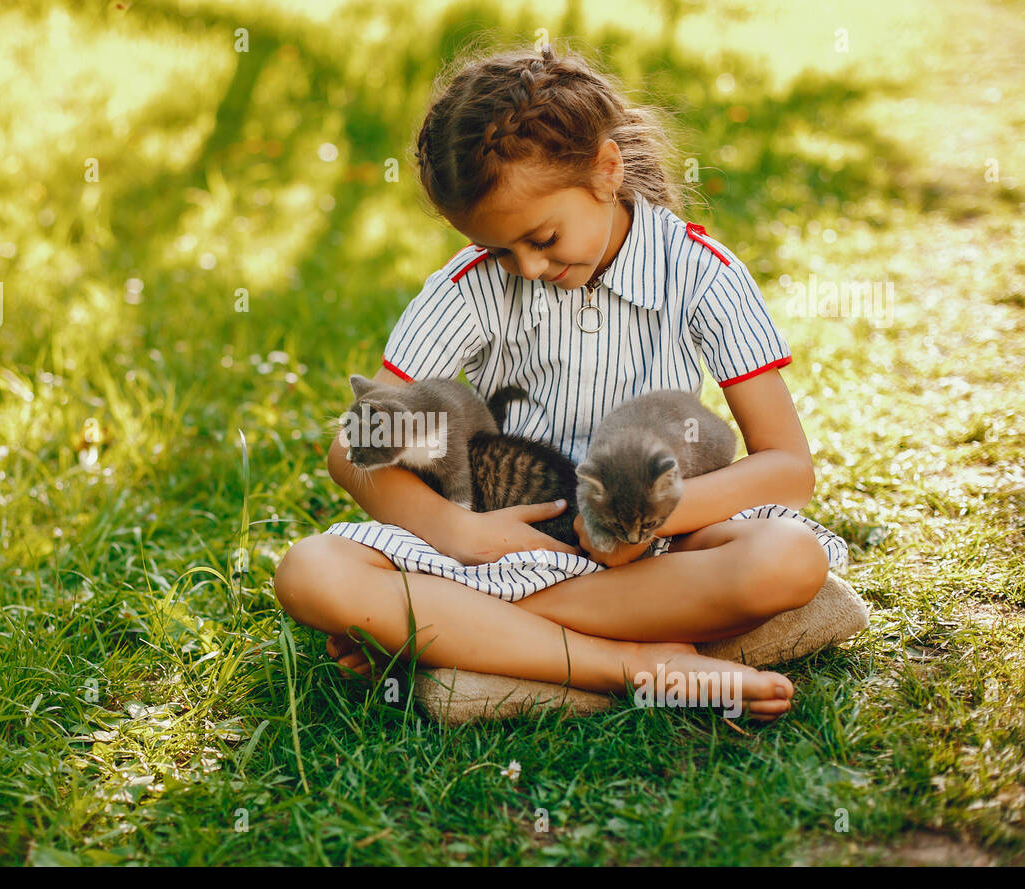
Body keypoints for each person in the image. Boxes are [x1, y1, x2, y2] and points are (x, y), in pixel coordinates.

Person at [274, 42, 847, 722]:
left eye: (544, 238)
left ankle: (466, 634)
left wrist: (644, 516)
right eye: (498, 249)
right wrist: (457, 534)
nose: (527, 267)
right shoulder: (469, 289)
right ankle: (636, 664)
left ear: (607, 169)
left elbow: (787, 466)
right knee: (312, 571)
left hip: (655, 553)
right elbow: (354, 451)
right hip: (509, 547)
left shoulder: (701, 273)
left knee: (788, 562)